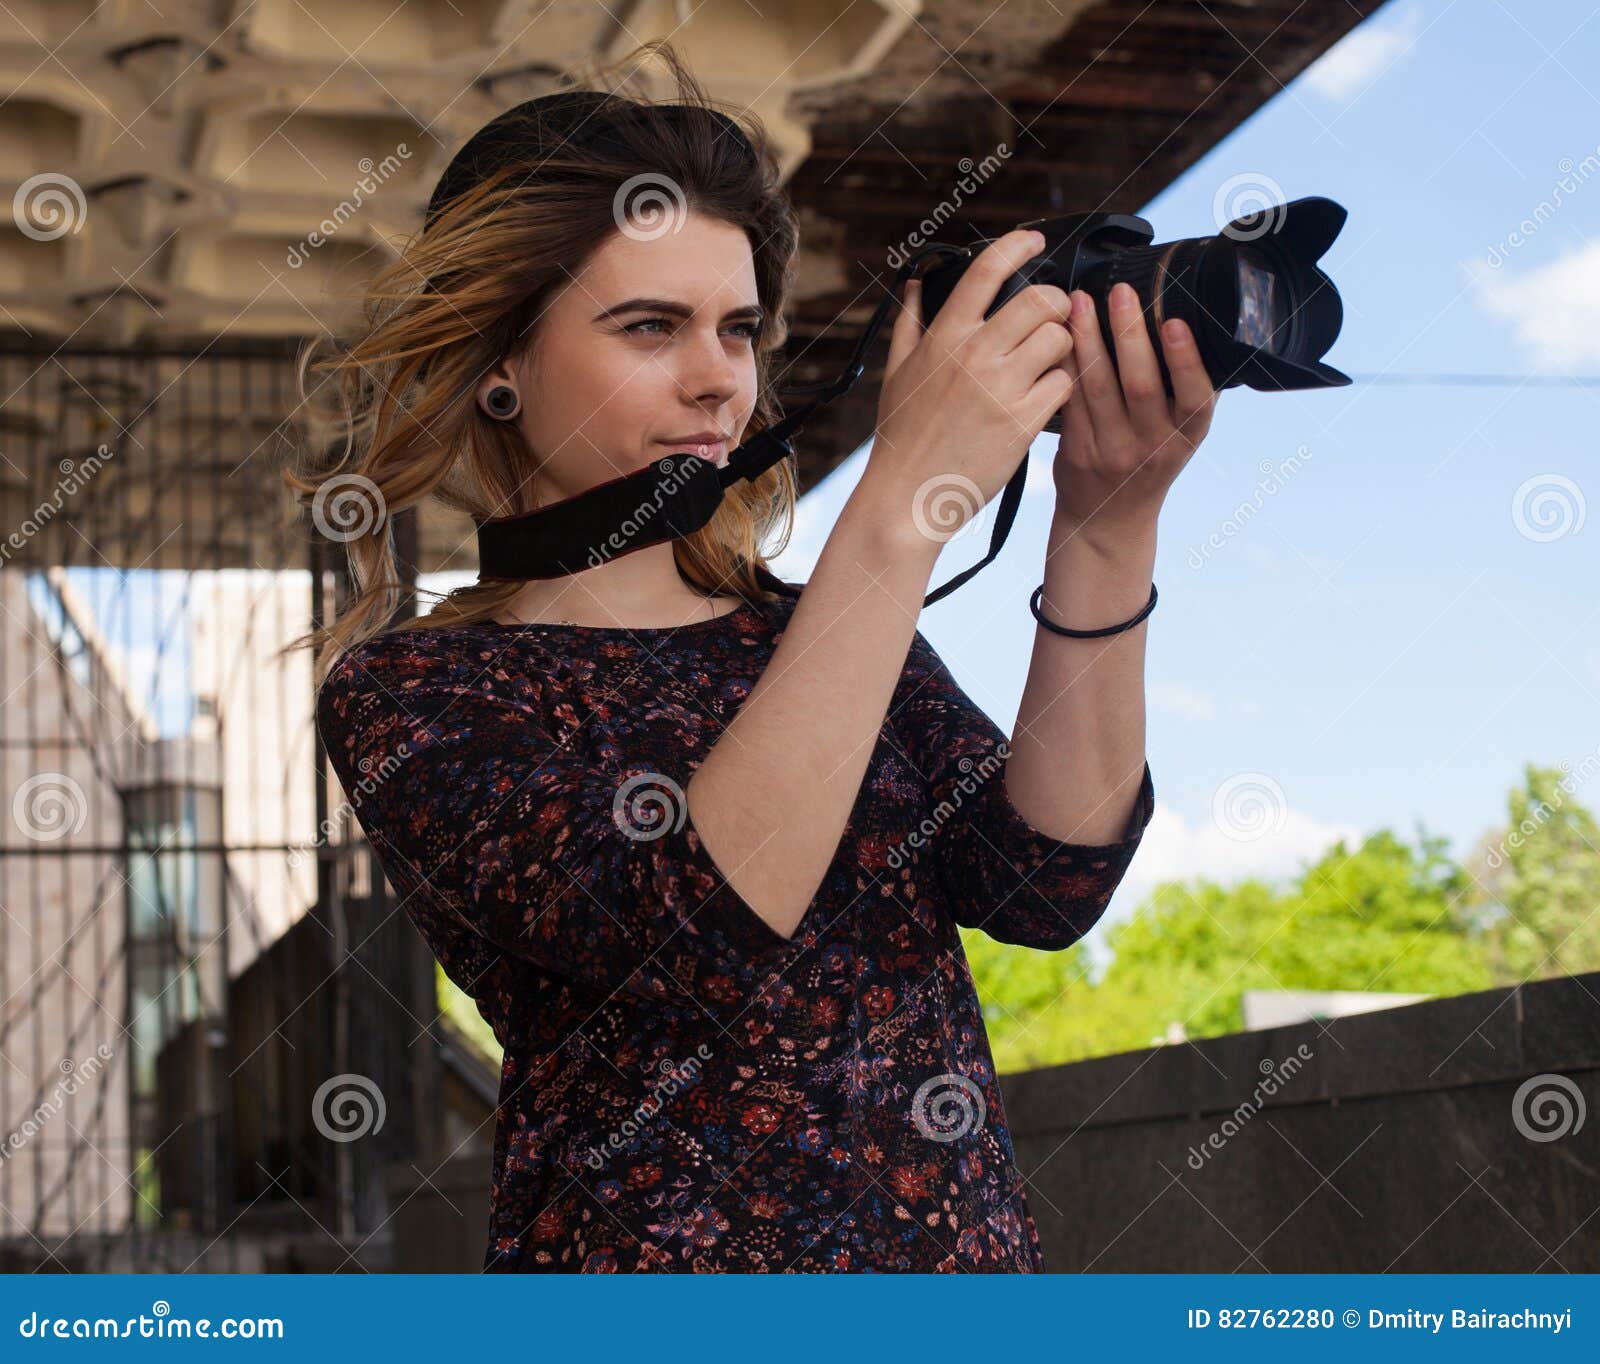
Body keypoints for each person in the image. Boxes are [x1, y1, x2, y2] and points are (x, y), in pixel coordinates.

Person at [291, 41, 1216, 1272]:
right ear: (501, 364)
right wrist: (897, 510)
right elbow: (698, 919)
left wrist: (1107, 525)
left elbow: (1044, 879)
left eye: (738, 330)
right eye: (649, 325)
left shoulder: (813, 628)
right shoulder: (416, 693)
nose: (716, 380)